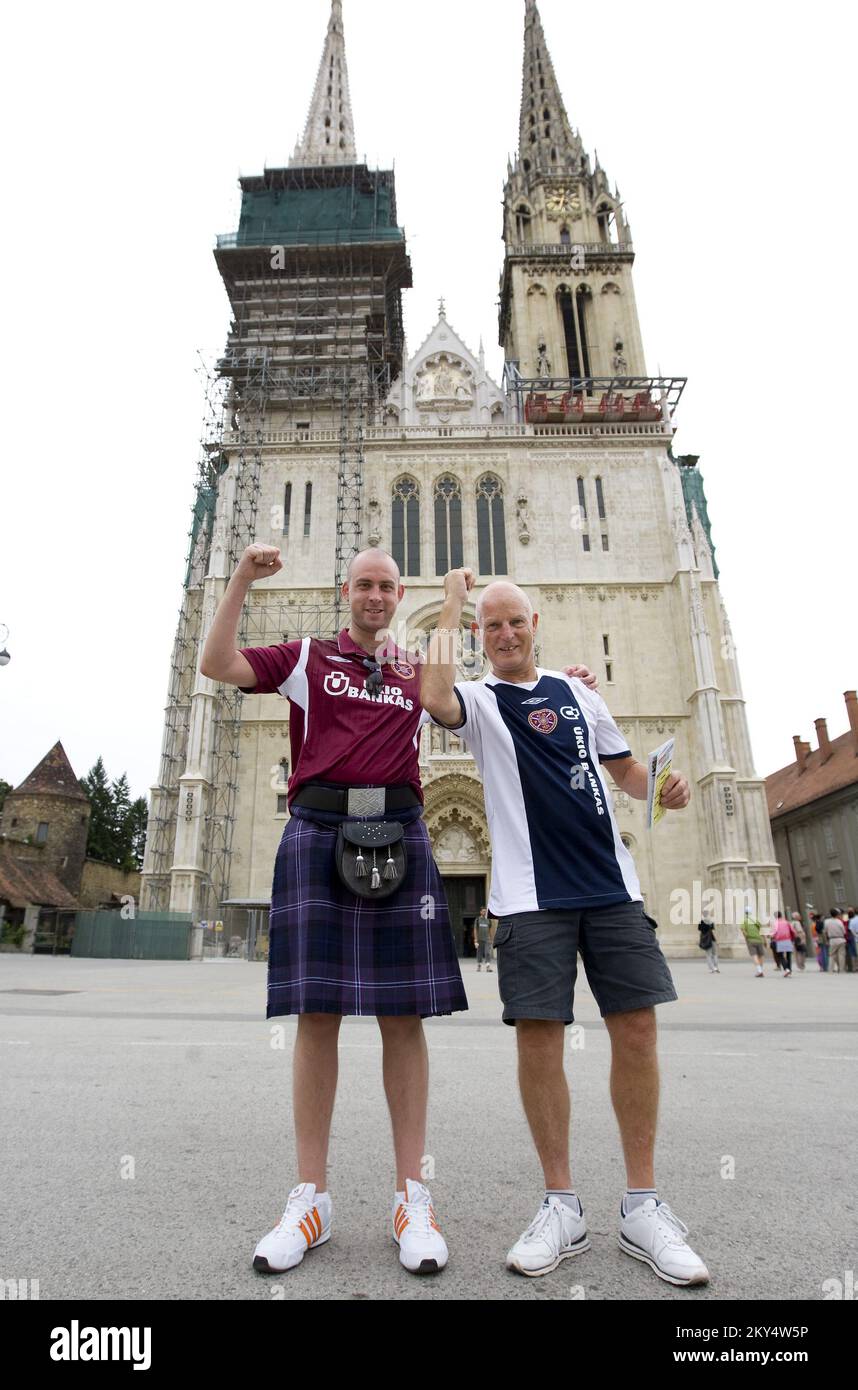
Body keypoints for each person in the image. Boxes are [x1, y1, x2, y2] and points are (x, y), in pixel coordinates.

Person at [421, 569, 709, 1287]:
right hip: (529, 896)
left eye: (515, 621)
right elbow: (430, 696)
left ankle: (643, 1204)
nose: (506, 634)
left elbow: (625, 773)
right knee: (542, 1039)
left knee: (637, 1029)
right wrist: (453, 605)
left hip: (611, 888)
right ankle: (561, 1204)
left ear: (535, 622)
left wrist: (662, 789)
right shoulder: (479, 701)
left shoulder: (580, 692)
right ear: (478, 638)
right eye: (491, 626)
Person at [200, 544, 470, 1277]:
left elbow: (451, 704)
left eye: (387, 586)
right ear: (343, 591)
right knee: (316, 1015)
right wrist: (242, 581)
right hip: (318, 832)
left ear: (397, 593)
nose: (376, 596)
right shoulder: (305, 660)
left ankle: (411, 1196)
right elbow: (216, 664)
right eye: (364, 585)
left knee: (403, 1015)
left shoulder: (415, 672)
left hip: (403, 832)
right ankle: (310, 1198)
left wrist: (451, 603)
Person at [740, 910, 766, 977]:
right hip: (759, 939)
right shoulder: (756, 920)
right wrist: (765, 940)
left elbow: (743, 930)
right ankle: (760, 970)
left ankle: (759, 970)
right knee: (761, 955)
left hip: (751, 940)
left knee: (754, 955)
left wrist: (747, 937)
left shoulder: (745, 921)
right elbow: (761, 930)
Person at [770, 911, 795, 977]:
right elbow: (792, 931)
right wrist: (792, 939)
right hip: (788, 940)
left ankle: (787, 969)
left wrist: (770, 936)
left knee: (780, 956)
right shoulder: (787, 922)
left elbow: (773, 933)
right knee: (788, 956)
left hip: (779, 941)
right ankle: (789, 970)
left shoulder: (775, 923)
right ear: (781, 915)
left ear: (775, 917)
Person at [825, 908, 847, 973]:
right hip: (840, 939)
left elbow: (825, 931)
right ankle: (841, 969)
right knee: (841, 955)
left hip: (832, 939)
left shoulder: (827, 921)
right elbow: (844, 931)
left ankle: (830, 969)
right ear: (837, 914)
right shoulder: (839, 921)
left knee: (831, 955)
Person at [474, 905, 494, 972]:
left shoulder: (488, 920)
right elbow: (475, 930)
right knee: (479, 953)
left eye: (485, 911)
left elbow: (490, 930)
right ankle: (479, 966)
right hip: (479, 939)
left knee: (487, 952)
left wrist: (491, 939)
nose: (484, 912)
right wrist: (475, 940)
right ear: (480, 912)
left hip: (487, 939)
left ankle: (488, 967)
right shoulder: (477, 920)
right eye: (483, 911)